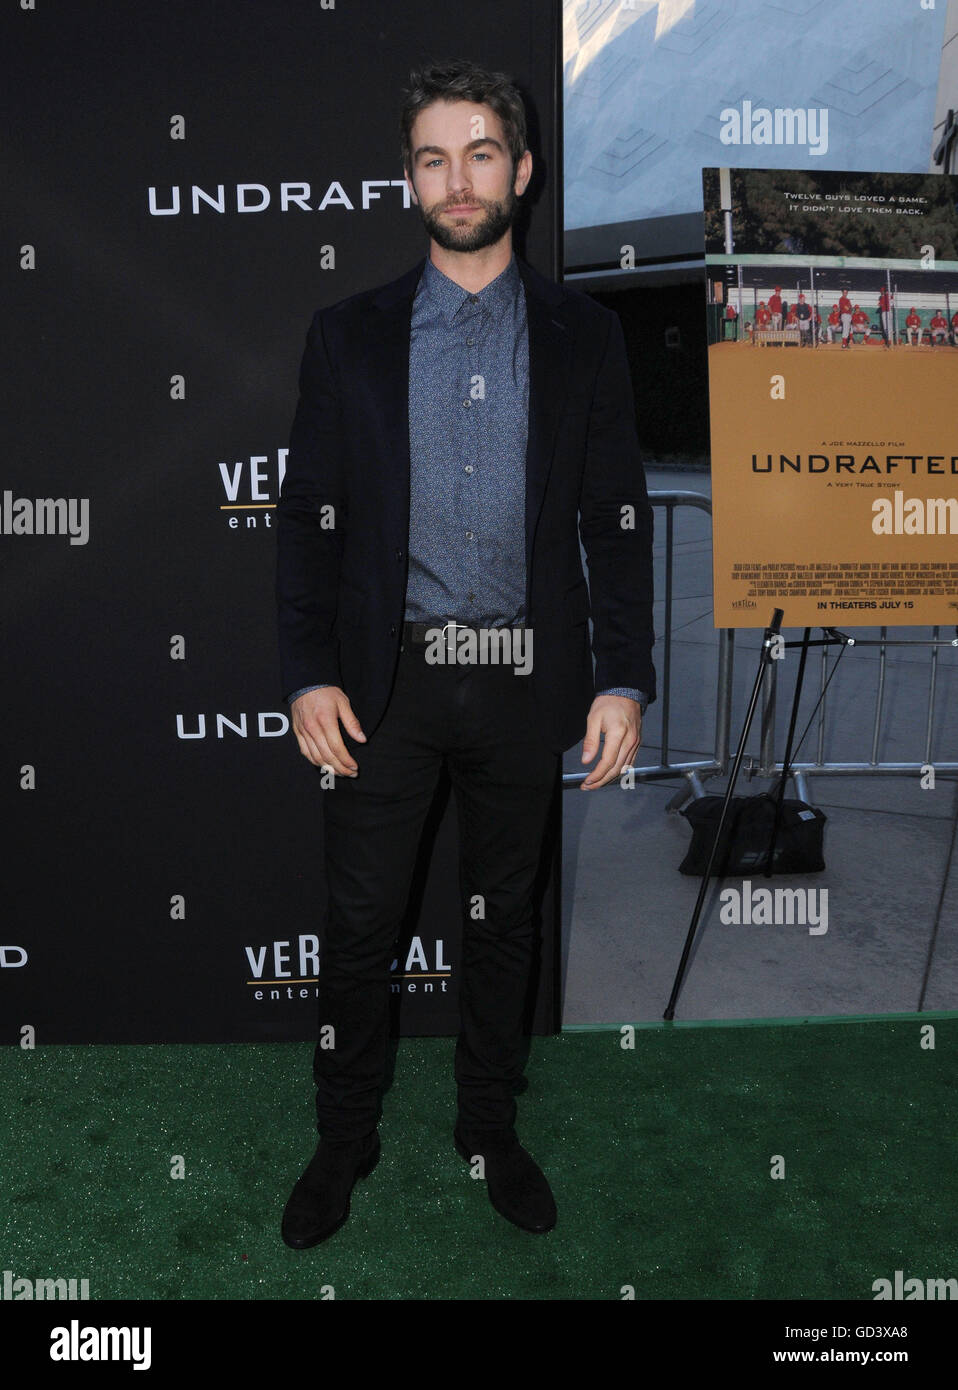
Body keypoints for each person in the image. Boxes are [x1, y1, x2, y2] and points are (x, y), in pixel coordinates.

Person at [275, 59, 655, 1248]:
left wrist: (620, 673)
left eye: (481, 151)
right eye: (434, 156)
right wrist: (305, 670)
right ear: (409, 178)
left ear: (521, 170)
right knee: (358, 931)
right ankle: (344, 1138)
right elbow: (306, 515)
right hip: (383, 685)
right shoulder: (346, 337)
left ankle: (489, 1126)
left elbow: (616, 517)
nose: (458, 177)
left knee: (503, 926)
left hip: (519, 681)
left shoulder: (584, 335)